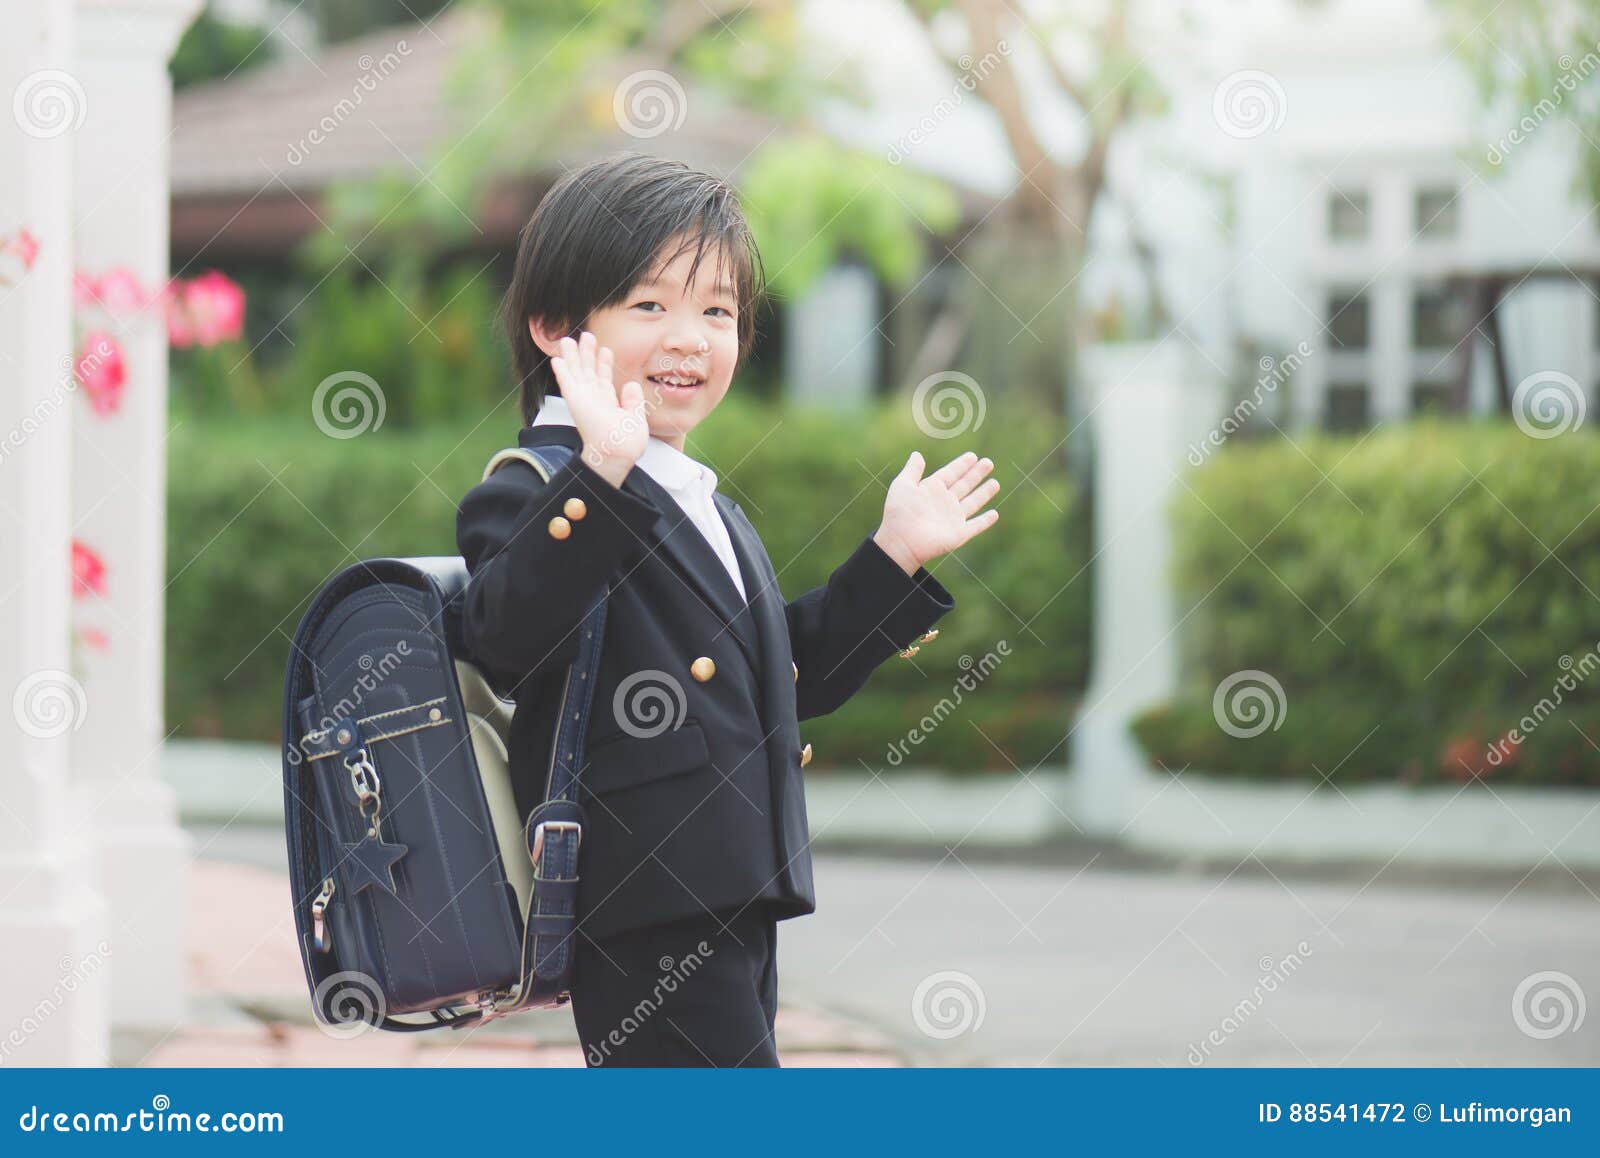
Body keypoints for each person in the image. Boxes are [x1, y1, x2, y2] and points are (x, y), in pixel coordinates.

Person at [455, 152, 1000, 1066]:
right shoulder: (544, 487)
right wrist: (602, 472)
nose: (690, 338)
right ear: (555, 328)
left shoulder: (691, 491)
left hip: (730, 887)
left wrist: (893, 557)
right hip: (644, 898)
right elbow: (502, 637)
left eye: (717, 311)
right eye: (649, 305)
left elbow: (783, 679)